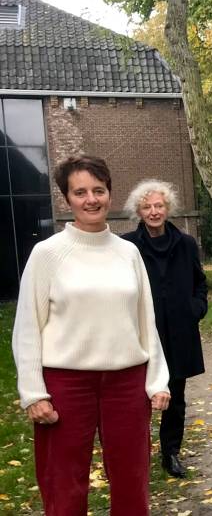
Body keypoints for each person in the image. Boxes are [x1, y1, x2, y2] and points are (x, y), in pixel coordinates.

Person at [12, 155, 170, 515]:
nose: (91, 199)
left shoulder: (128, 253)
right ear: (67, 199)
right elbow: (27, 328)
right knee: (63, 483)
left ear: (110, 195)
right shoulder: (47, 254)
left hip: (127, 383)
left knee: (132, 481)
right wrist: (33, 393)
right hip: (66, 384)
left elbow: (147, 321)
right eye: (80, 192)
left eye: (98, 190)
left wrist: (157, 381)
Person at [121, 179, 208, 479]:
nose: (154, 211)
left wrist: (196, 308)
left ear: (167, 208)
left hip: (180, 331)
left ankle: (170, 453)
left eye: (159, 205)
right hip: (143, 333)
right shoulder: (127, 245)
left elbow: (200, 282)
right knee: (138, 396)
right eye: (147, 206)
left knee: (176, 396)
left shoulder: (185, 243)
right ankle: (136, 455)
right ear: (139, 211)